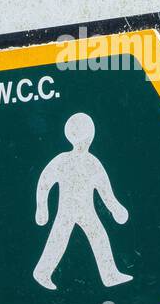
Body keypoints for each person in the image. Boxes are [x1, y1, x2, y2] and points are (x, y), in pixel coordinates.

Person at [33, 112, 132, 291]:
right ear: (91, 136)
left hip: (86, 211)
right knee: (59, 240)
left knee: (99, 237)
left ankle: (110, 274)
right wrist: (41, 209)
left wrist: (116, 208)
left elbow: (105, 191)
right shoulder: (67, 161)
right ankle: (42, 272)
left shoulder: (91, 163)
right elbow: (45, 182)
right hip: (67, 210)